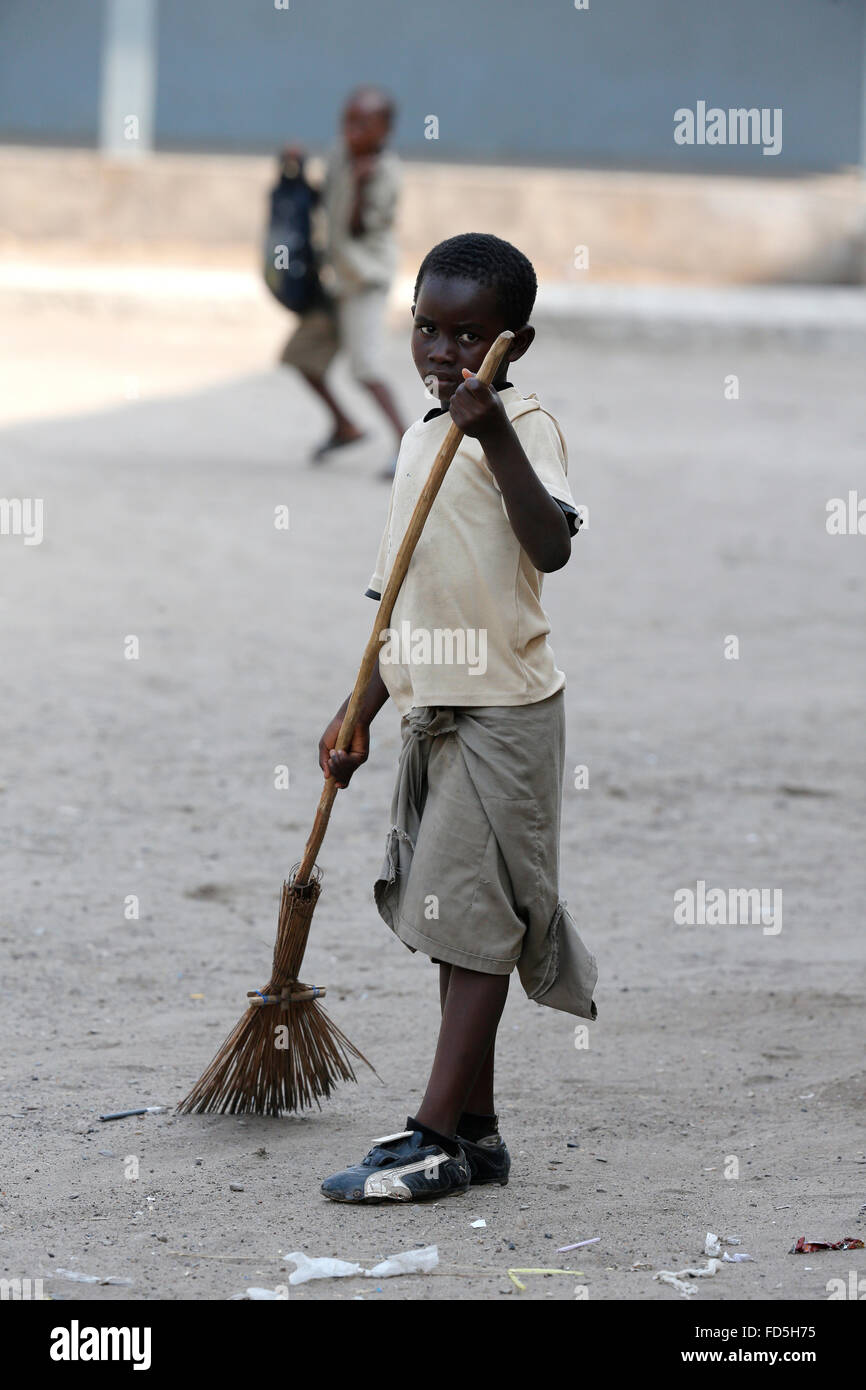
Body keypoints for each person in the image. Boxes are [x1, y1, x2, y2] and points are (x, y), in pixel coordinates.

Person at [316, 233, 598, 1203]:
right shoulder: (415, 439)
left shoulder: (524, 422)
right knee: (451, 920)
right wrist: (355, 712)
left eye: (465, 335)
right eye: (425, 329)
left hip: (504, 713)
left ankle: (432, 1134)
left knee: (476, 927)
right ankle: (475, 1130)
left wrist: (492, 436)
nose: (440, 352)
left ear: (510, 345)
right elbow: (397, 594)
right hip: (429, 712)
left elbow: (550, 546)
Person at [280, 86, 406, 474]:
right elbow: (323, 200)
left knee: (365, 368)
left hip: (364, 281)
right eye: (348, 121)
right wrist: (294, 169)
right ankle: (344, 426)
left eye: (363, 124)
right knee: (303, 355)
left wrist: (362, 186)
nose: (352, 130)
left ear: (383, 130)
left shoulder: (385, 173)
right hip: (335, 280)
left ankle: (406, 445)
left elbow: (356, 226)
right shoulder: (338, 154)